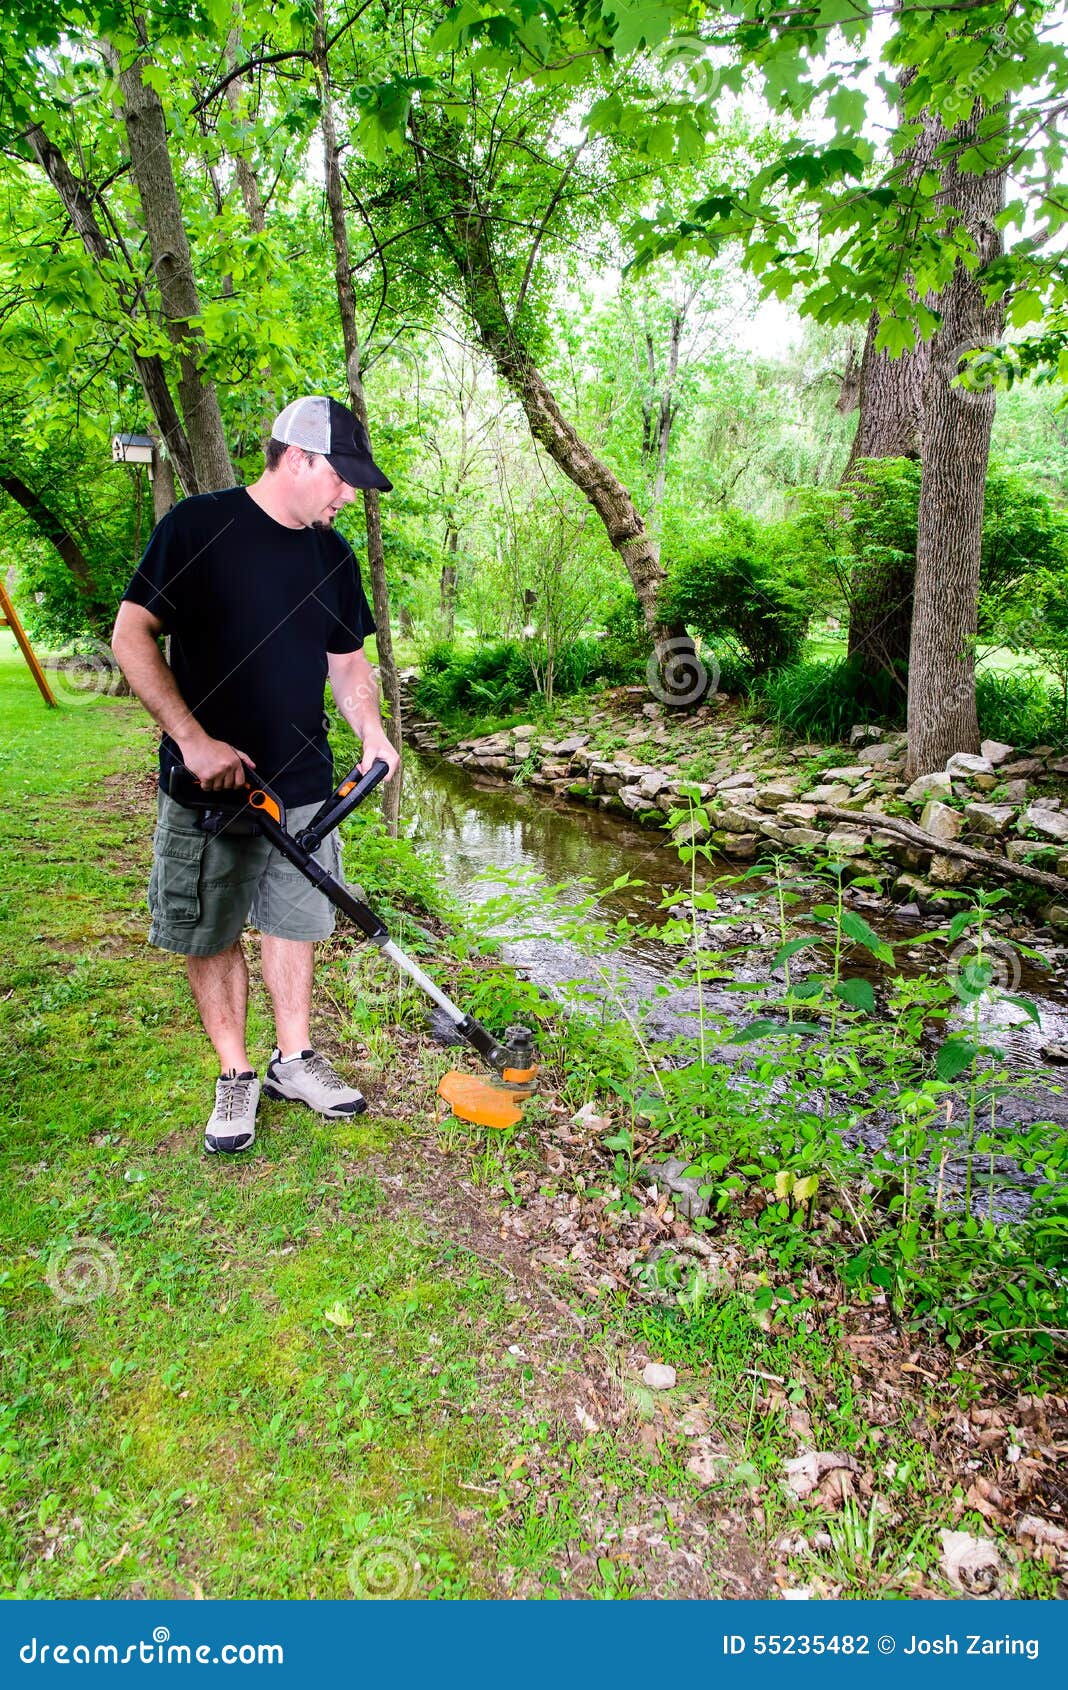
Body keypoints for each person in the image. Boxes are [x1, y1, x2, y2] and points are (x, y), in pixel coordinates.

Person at [111, 396, 401, 1156]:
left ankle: (293, 1060)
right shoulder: (197, 529)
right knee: (207, 928)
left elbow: (348, 663)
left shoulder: (331, 557)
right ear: (301, 460)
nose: (349, 496)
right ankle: (236, 1072)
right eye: (344, 481)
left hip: (304, 785)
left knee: (293, 923)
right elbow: (130, 633)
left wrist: (370, 729)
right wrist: (192, 739)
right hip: (207, 790)